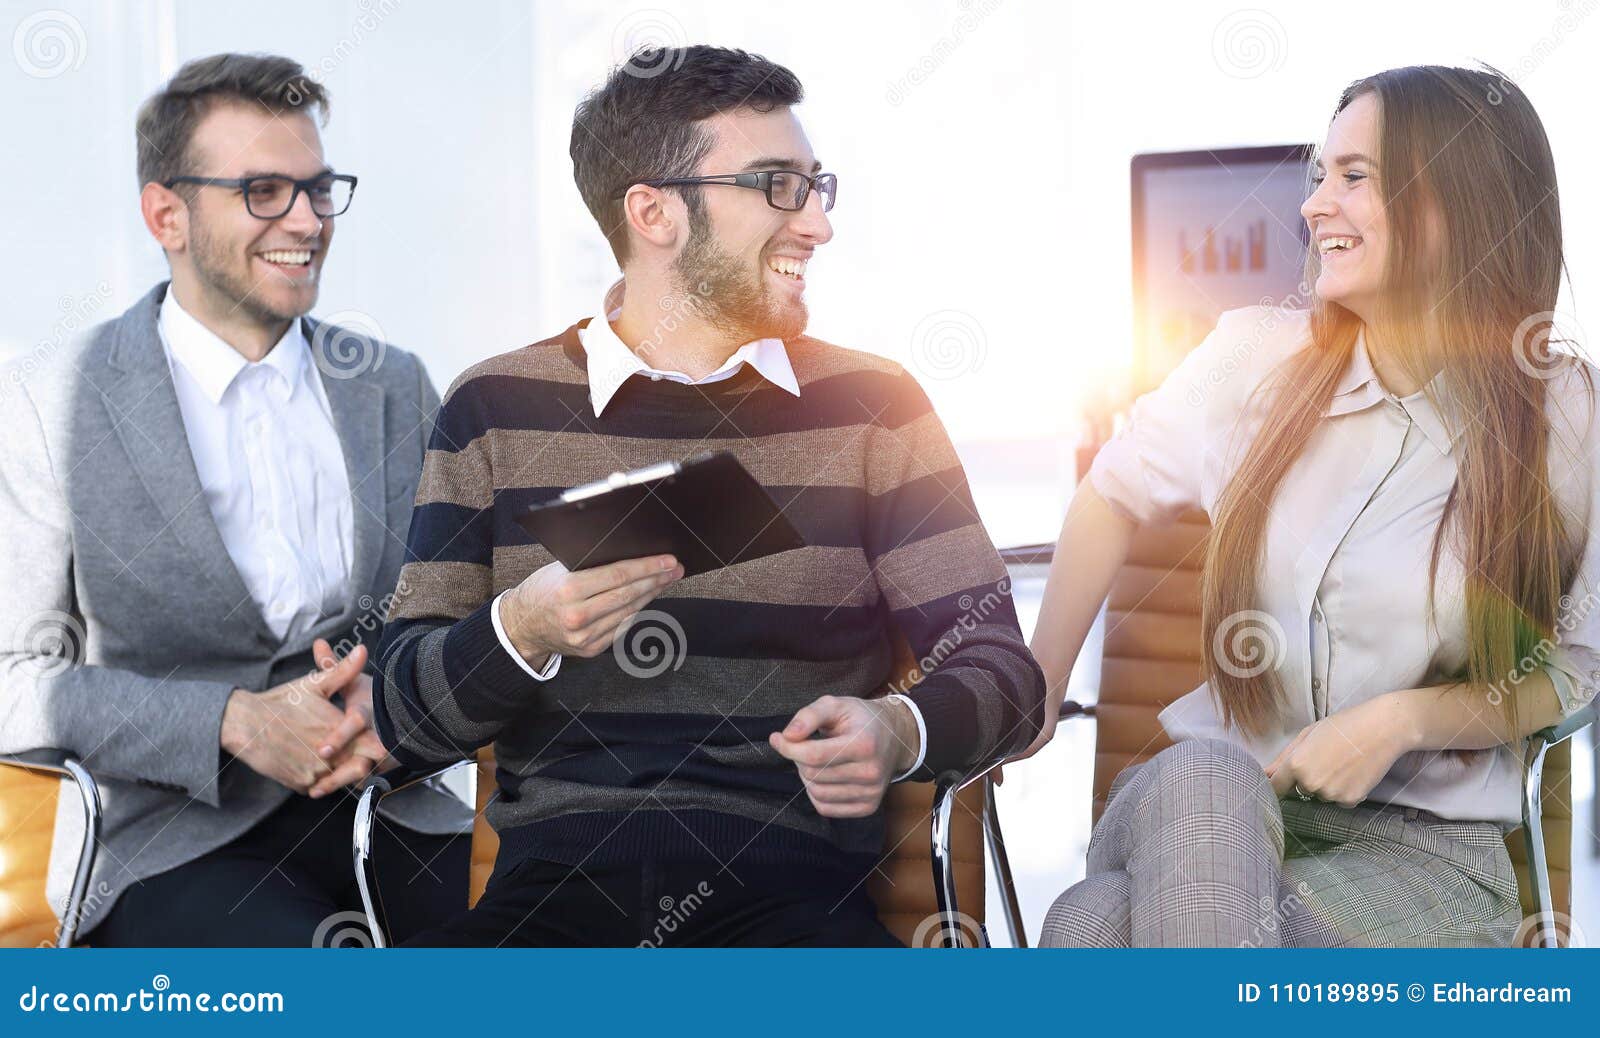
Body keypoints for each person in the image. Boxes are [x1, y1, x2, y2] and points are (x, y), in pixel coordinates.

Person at [372, 44, 1045, 947]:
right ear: (653, 212)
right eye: (777, 186)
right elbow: (403, 719)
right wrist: (518, 634)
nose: (817, 225)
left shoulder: (875, 408)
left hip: (794, 908)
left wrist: (900, 728)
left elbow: (1008, 675)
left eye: (816, 186)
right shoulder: (492, 408)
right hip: (548, 908)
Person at [1024, 64, 1600, 947]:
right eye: (1320, 175)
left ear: (1457, 203)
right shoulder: (1250, 357)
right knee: (1210, 785)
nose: (1313, 205)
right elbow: (1110, 491)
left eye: (1353, 177)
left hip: (1423, 854)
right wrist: (1041, 682)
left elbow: (1580, 665)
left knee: (1090, 928)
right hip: (1200, 802)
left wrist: (1402, 721)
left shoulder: (1562, 415)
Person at [0, 52, 471, 947]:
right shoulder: (45, 405)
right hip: (176, 841)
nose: (307, 220)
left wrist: (394, 702)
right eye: (263, 191)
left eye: (318, 189)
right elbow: (11, 679)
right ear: (166, 215)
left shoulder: (392, 385)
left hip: (390, 810)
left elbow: (454, 612)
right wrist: (230, 721)